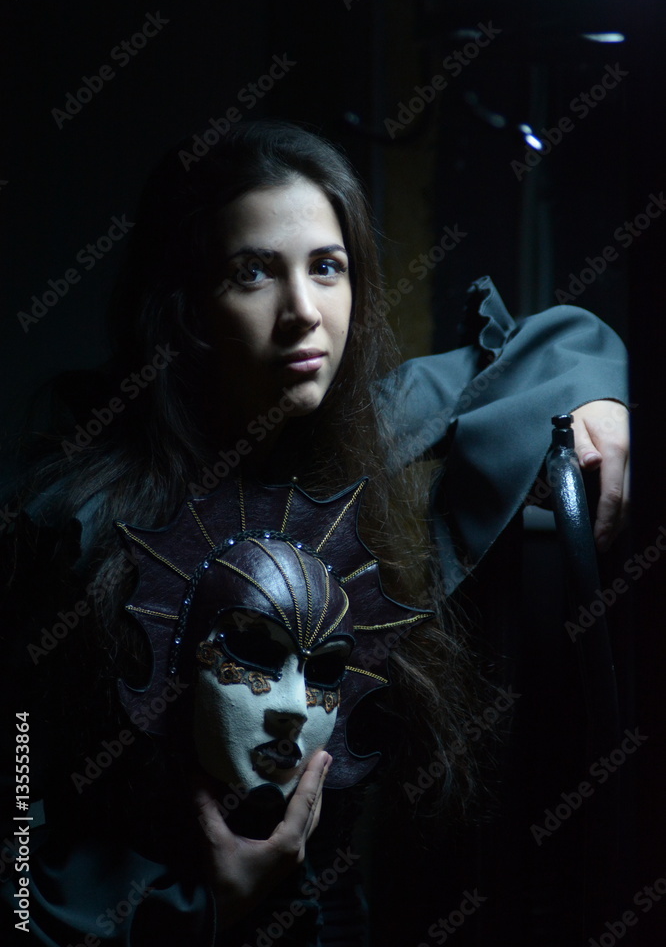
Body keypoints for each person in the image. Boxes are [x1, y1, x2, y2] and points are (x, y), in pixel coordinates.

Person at [1, 120, 628, 944]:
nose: (304, 312)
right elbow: (19, 828)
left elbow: (540, 353)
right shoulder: (75, 529)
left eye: (326, 268)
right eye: (253, 272)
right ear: (187, 304)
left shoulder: (382, 436)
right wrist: (197, 913)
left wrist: (595, 401)